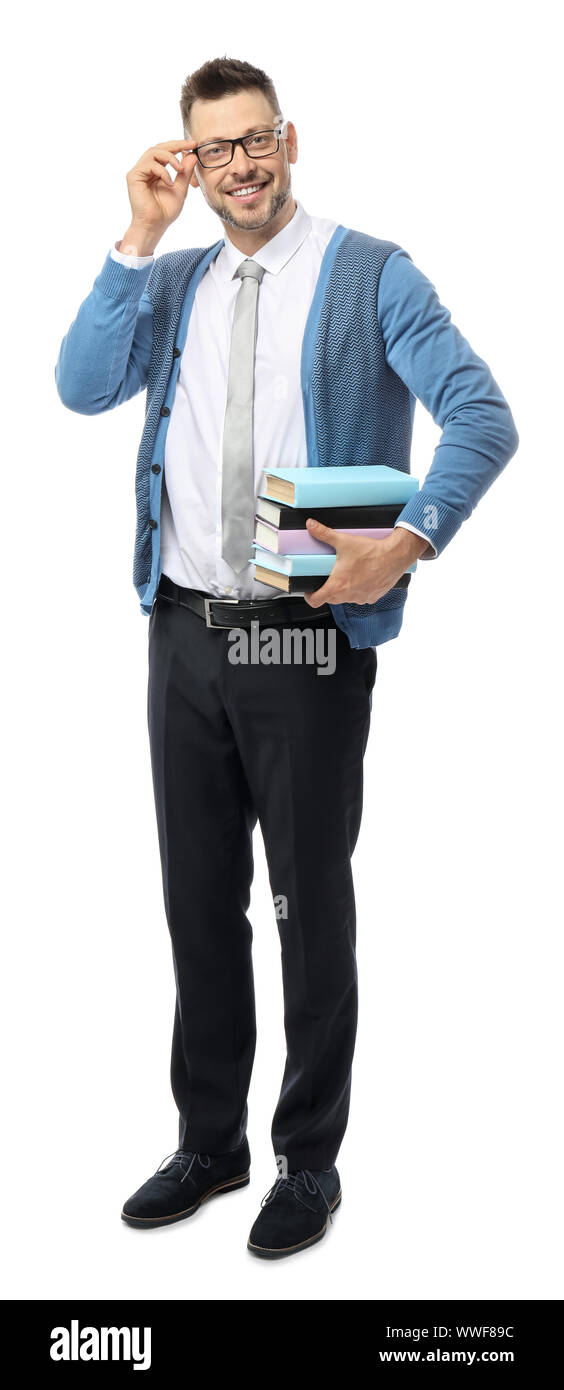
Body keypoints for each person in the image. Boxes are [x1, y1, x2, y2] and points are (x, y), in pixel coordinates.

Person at [55, 56, 519, 1260]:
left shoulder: (370, 272)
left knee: (308, 903)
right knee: (197, 905)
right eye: (216, 149)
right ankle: (210, 1140)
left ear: (290, 140)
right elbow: (81, 386)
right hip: (184, 630)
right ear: (190, 163)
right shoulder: (174, 285)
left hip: (302, 637)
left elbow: (481, 411)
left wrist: (409, 540)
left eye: (257, 139)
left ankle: (308, 1161)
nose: (242, 165)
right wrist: (133, 240)